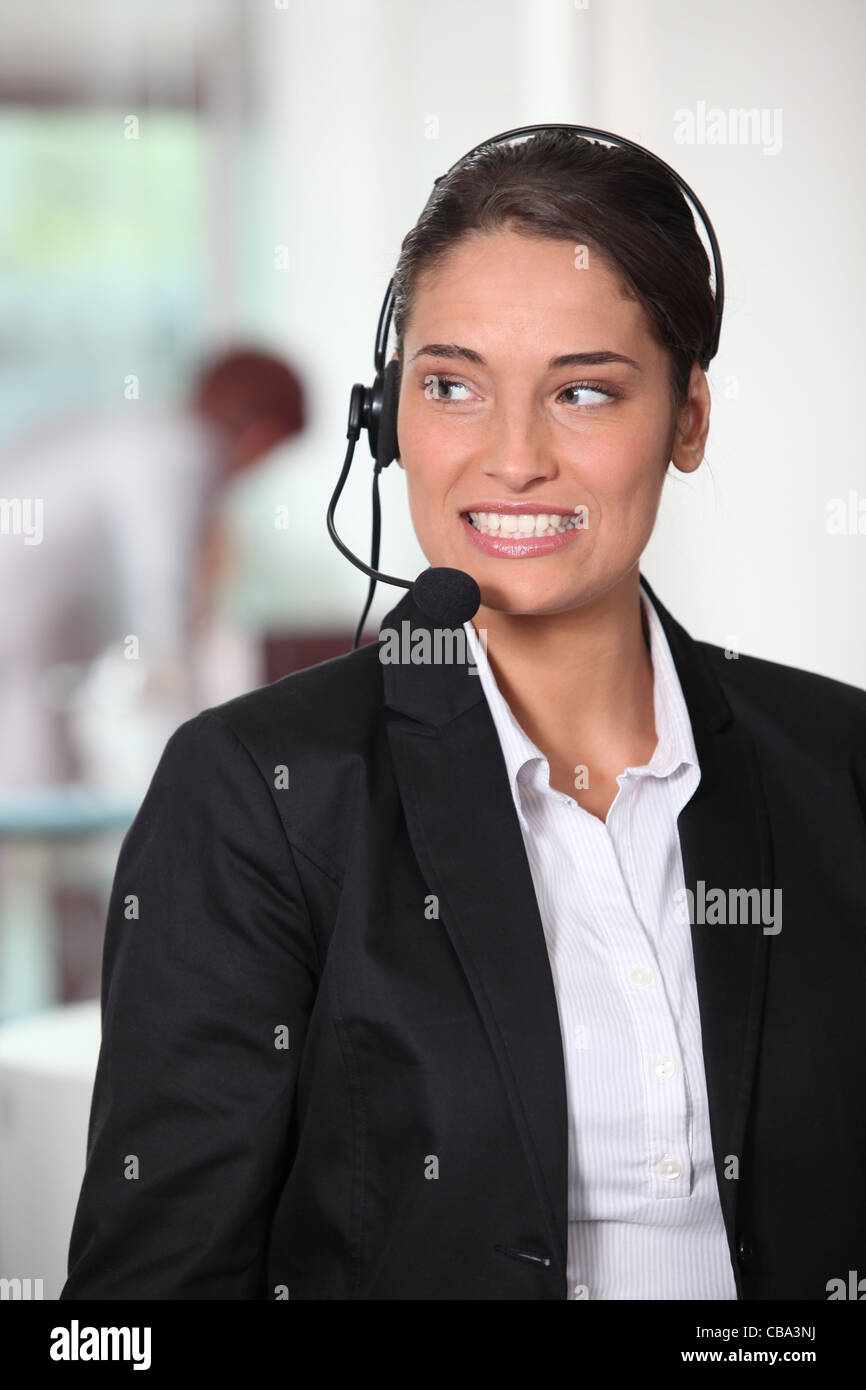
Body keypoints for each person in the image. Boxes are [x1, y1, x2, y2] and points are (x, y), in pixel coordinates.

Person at [60, 130, 866, 1301]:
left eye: (581, 390)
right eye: (450, 385)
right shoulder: (257, 793)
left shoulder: (834, 764)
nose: (511, 456)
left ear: (687, 420)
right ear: (386, 418)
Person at [0, 348, 305, 792]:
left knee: (46, 779)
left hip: (30, 652)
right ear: (262, 438)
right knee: (32, 793)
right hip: (19, 648)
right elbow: (161, 623)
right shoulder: (180, 457)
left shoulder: (148, 439)